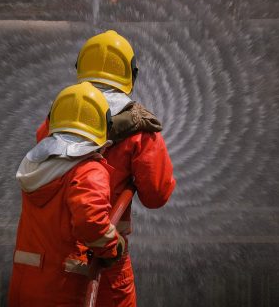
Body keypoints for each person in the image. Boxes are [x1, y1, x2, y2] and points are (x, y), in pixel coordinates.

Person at [35, 30, 176, 307]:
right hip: (106, 258)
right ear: (131, 74)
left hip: (53, 259)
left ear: (80, 67)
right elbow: (156, 195)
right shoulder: (140, 129)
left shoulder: (55, 121)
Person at [9, 82, 125, 306]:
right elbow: (91, 223)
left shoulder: (37, 165)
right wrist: (113, 246)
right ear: (103, 125)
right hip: (61, 290)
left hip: (23, 287)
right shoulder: (88, 170)